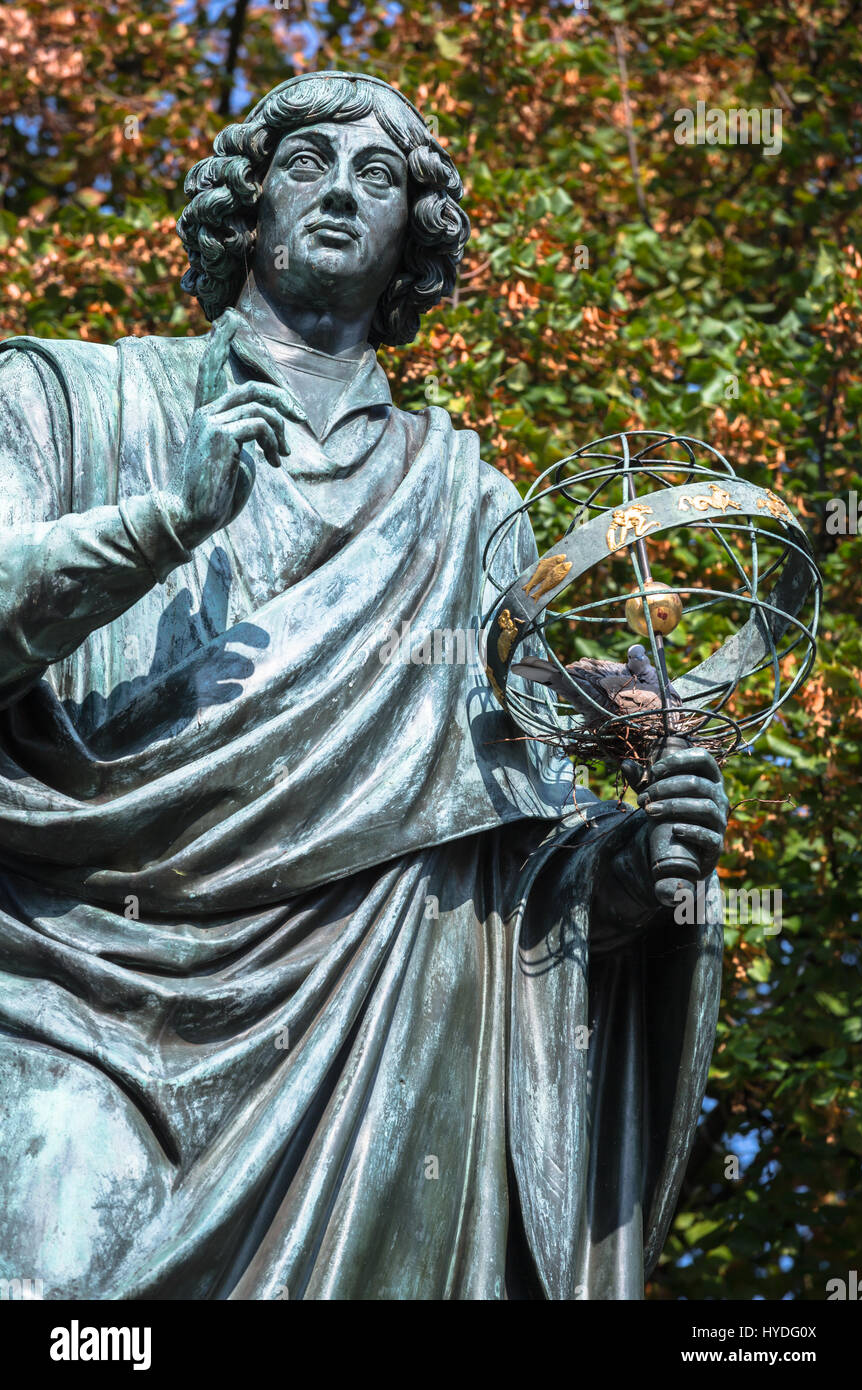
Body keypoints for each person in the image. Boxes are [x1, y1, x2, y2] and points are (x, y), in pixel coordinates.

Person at [0, 70, 728, 1300]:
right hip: (83, 977)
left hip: (381, 1016)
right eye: (305, 162)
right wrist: (162, 521)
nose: (340, 188)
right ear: (246, 205)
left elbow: (507, 852)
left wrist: (625, 870)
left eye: (378, 174)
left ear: (409, 241)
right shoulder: (66, 396)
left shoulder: (470, 512)